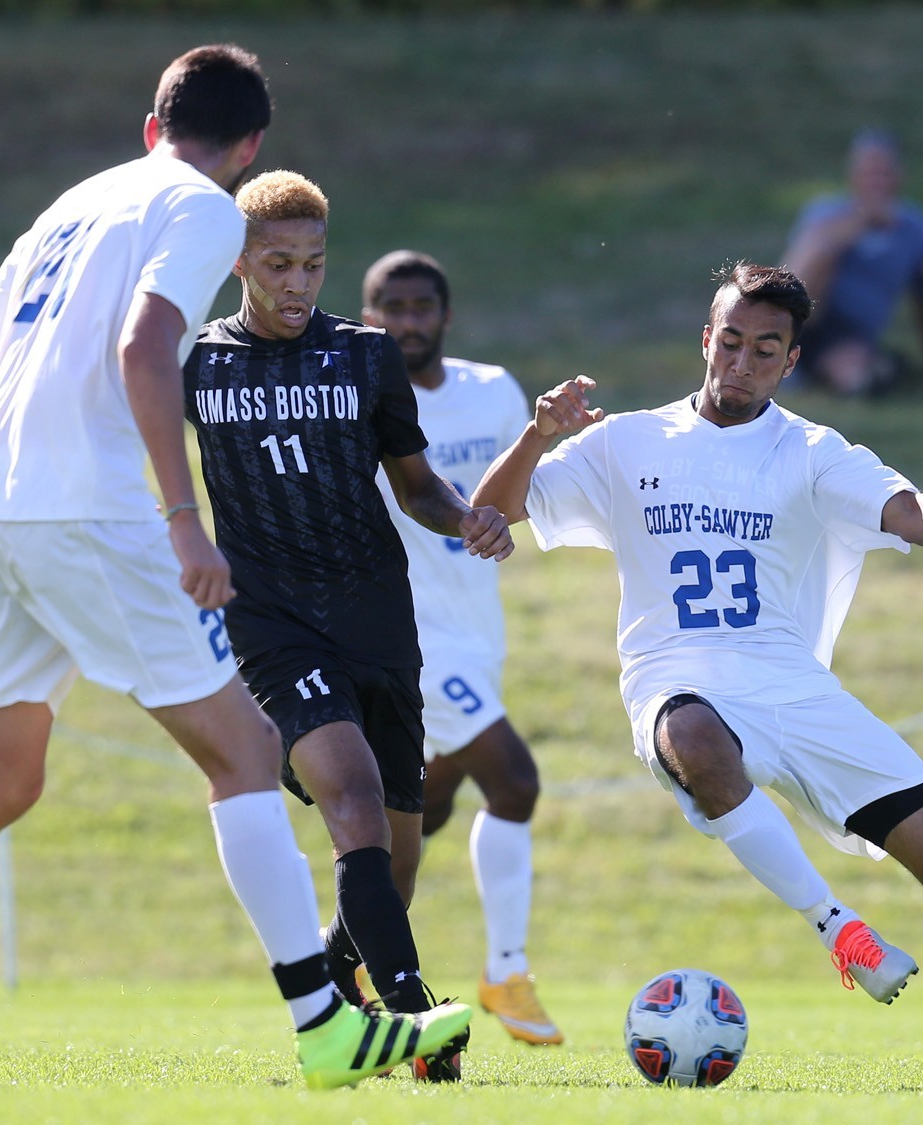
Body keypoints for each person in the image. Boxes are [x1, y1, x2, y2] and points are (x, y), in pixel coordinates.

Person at [0, 46, 468, 1092]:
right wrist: (182, 519)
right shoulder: (203, 209)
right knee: (243, 751)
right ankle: (323, 1023)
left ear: (151, 127)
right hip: (82, 514)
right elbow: (145, 350)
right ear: (251, 147)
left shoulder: (73, 204)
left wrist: (12, 458)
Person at [473, 262, 923, 1086]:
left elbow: (912, 517)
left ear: (791, 361)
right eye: (731, 342)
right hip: (673, 676)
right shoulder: (626, 440)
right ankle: (838, 928)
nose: (741, 363)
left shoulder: (812, 452)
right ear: (706, 340)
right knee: (694, 733)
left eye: (764, 349)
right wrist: (538, 435)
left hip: (791, 686)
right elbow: (493, 508)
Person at [180, 178, 513, 1078]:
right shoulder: (198, 362)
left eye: (313, 263)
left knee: (396, 853)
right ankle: (411, 1012)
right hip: (272, 624)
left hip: (377, 620)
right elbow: (97, 428)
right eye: (277, 263)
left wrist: (467, 518)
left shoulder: (366, 357)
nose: (297, 282)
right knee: (353, 801)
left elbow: (419, 487)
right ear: (239, 261)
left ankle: (334, 982)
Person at [360, 250, 564, 1047]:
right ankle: (505, 972)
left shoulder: (493, 391)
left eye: (421, 307)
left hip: (479, 630)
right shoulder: (359, 397)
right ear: (369, 318)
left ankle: (348, 954)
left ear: (445, 315)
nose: (408, 322)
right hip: (408, 633)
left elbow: (523, 486)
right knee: (513, 780)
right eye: (392, 309)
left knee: (426, 802)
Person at [781, 130, 923, 397]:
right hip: (809, 315)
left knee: (855, 376)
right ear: (853, 176)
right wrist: (857, 223)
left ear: (898, 177)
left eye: (883, 173)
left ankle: (858, 371)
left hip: (851, 334)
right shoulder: (824, 213)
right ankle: (783, 345)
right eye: (868, 173)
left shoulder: (914, 227)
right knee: (820, 249)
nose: (876, 182)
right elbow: (791, 273)